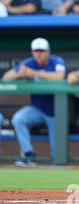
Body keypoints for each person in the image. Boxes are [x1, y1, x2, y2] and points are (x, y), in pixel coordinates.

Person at [2, 38, 66, 166]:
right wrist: (19, 74)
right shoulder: (29, 63)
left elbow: (60, 76)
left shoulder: (56, 61)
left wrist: (35, 73)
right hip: (37, 109)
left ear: (48, 52)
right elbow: (6, 77)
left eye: (41, 51)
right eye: (36, 51)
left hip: (56, 111)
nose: (39, 54)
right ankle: (28, 154)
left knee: (58, 157)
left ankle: (58, 170)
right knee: (18, 119)